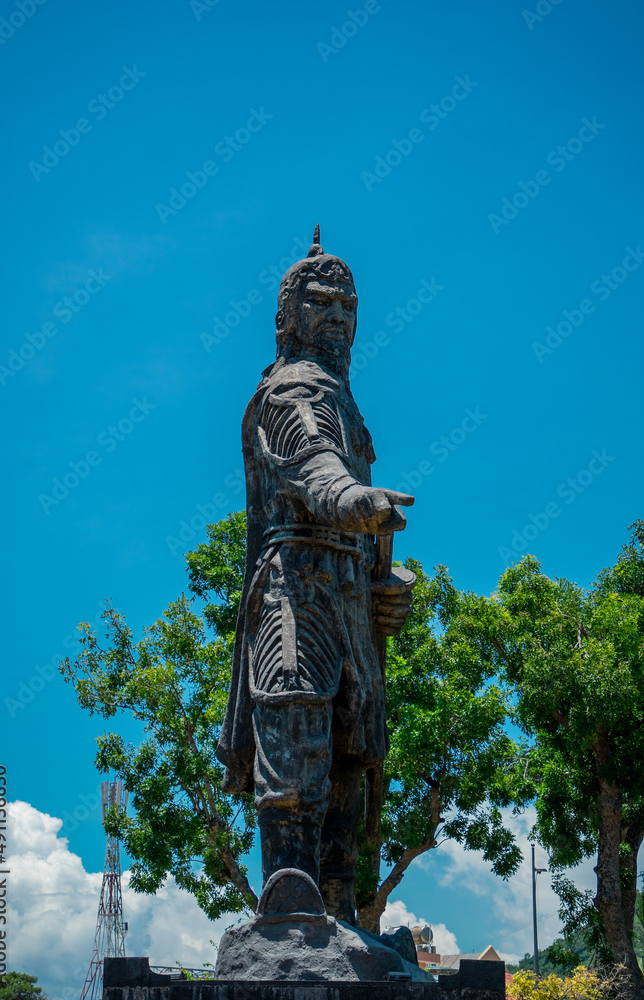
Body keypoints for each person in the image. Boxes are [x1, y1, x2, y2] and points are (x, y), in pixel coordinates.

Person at [217, 227, 415, 923]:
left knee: (352, 758)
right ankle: (290, 899)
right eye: (322, 302)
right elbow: (313, 464)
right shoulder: (293, 389)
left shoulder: (344, 396)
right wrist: (357, 503)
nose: (336, 317)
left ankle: (338, 907)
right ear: (288, 317)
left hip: (345, 594)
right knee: (295, 734)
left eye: (347, 306)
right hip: (293, 591)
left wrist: (383, 587)